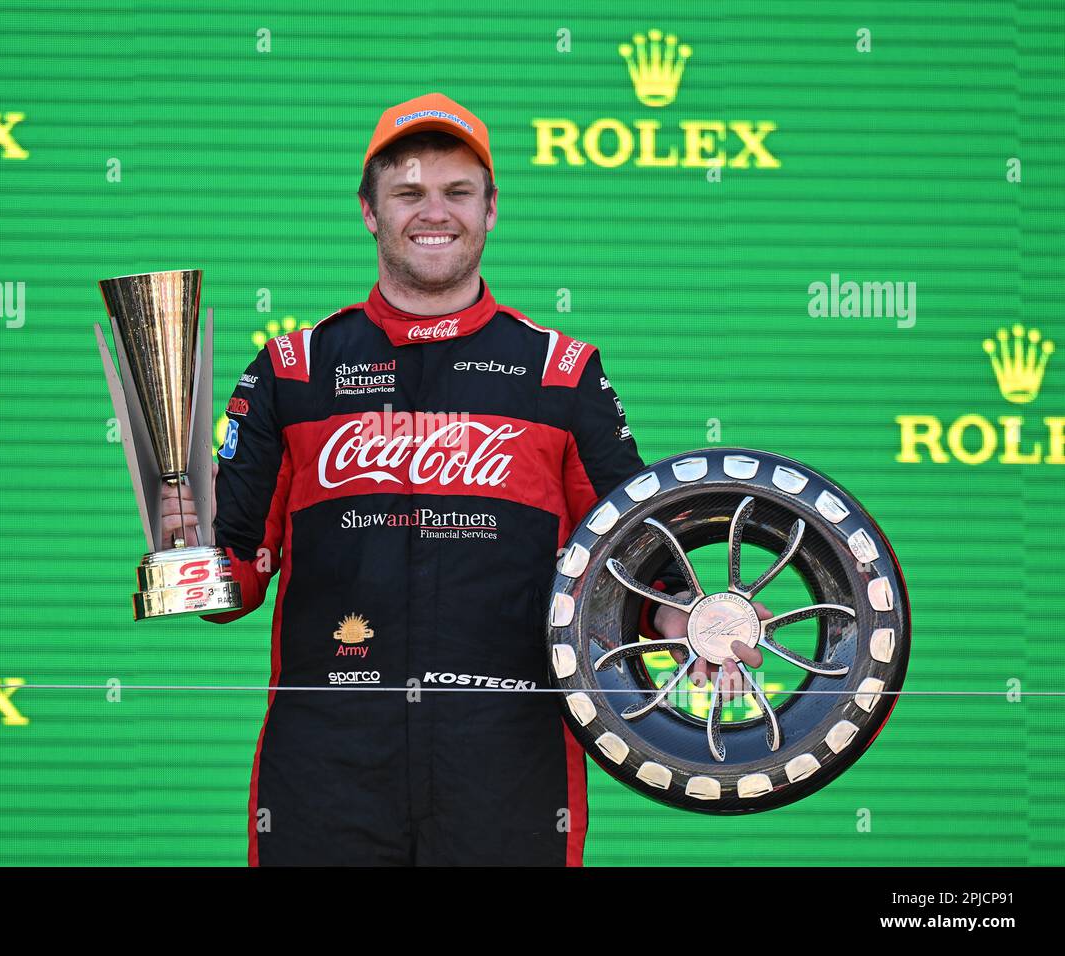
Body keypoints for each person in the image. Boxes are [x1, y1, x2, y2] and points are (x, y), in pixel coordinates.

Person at [162, 93, 766, 866]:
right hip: (326, 764)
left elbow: (631, 560)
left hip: (511, 759)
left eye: (457, 192)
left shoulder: (561, 375)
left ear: (490, 210)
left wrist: (682, 619)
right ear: (369, 212)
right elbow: (235, 581)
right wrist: (185, 551)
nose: (432, 212)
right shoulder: (294, 370)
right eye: (407, 192)